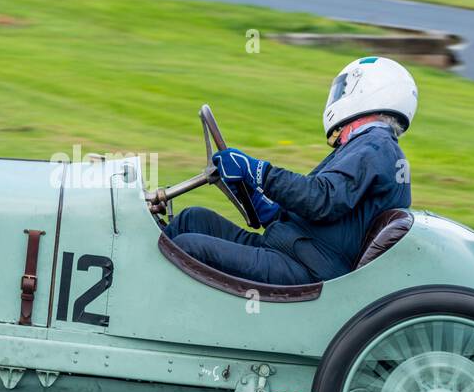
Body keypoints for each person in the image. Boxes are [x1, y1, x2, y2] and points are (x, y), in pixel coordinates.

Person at [165, 56, 416, 285]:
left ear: (366, 92)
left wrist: (257, 171)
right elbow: (317, 212)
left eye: (343, 90)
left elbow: (321, 199)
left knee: (187, 247)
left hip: (307, 269)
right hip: (290, 251)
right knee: (192, 219)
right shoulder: (366, 146)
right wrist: (257, 197)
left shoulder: (377, 146)